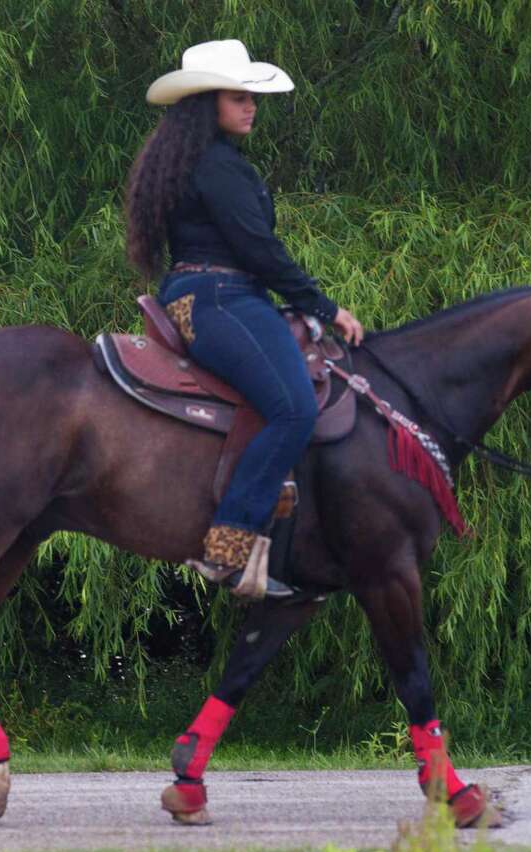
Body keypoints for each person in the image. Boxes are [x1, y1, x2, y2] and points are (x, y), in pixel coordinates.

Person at [125, 39, 364, 597]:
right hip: (219, 299)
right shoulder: (217, 167)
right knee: (294, 408)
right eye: (239, 97)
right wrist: (324, 308)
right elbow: (259, 250)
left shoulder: (205, 162)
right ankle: (226, 549)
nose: (251, 106)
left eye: (251, 97)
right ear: (207, 103)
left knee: (283, 400)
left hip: (211, 295)